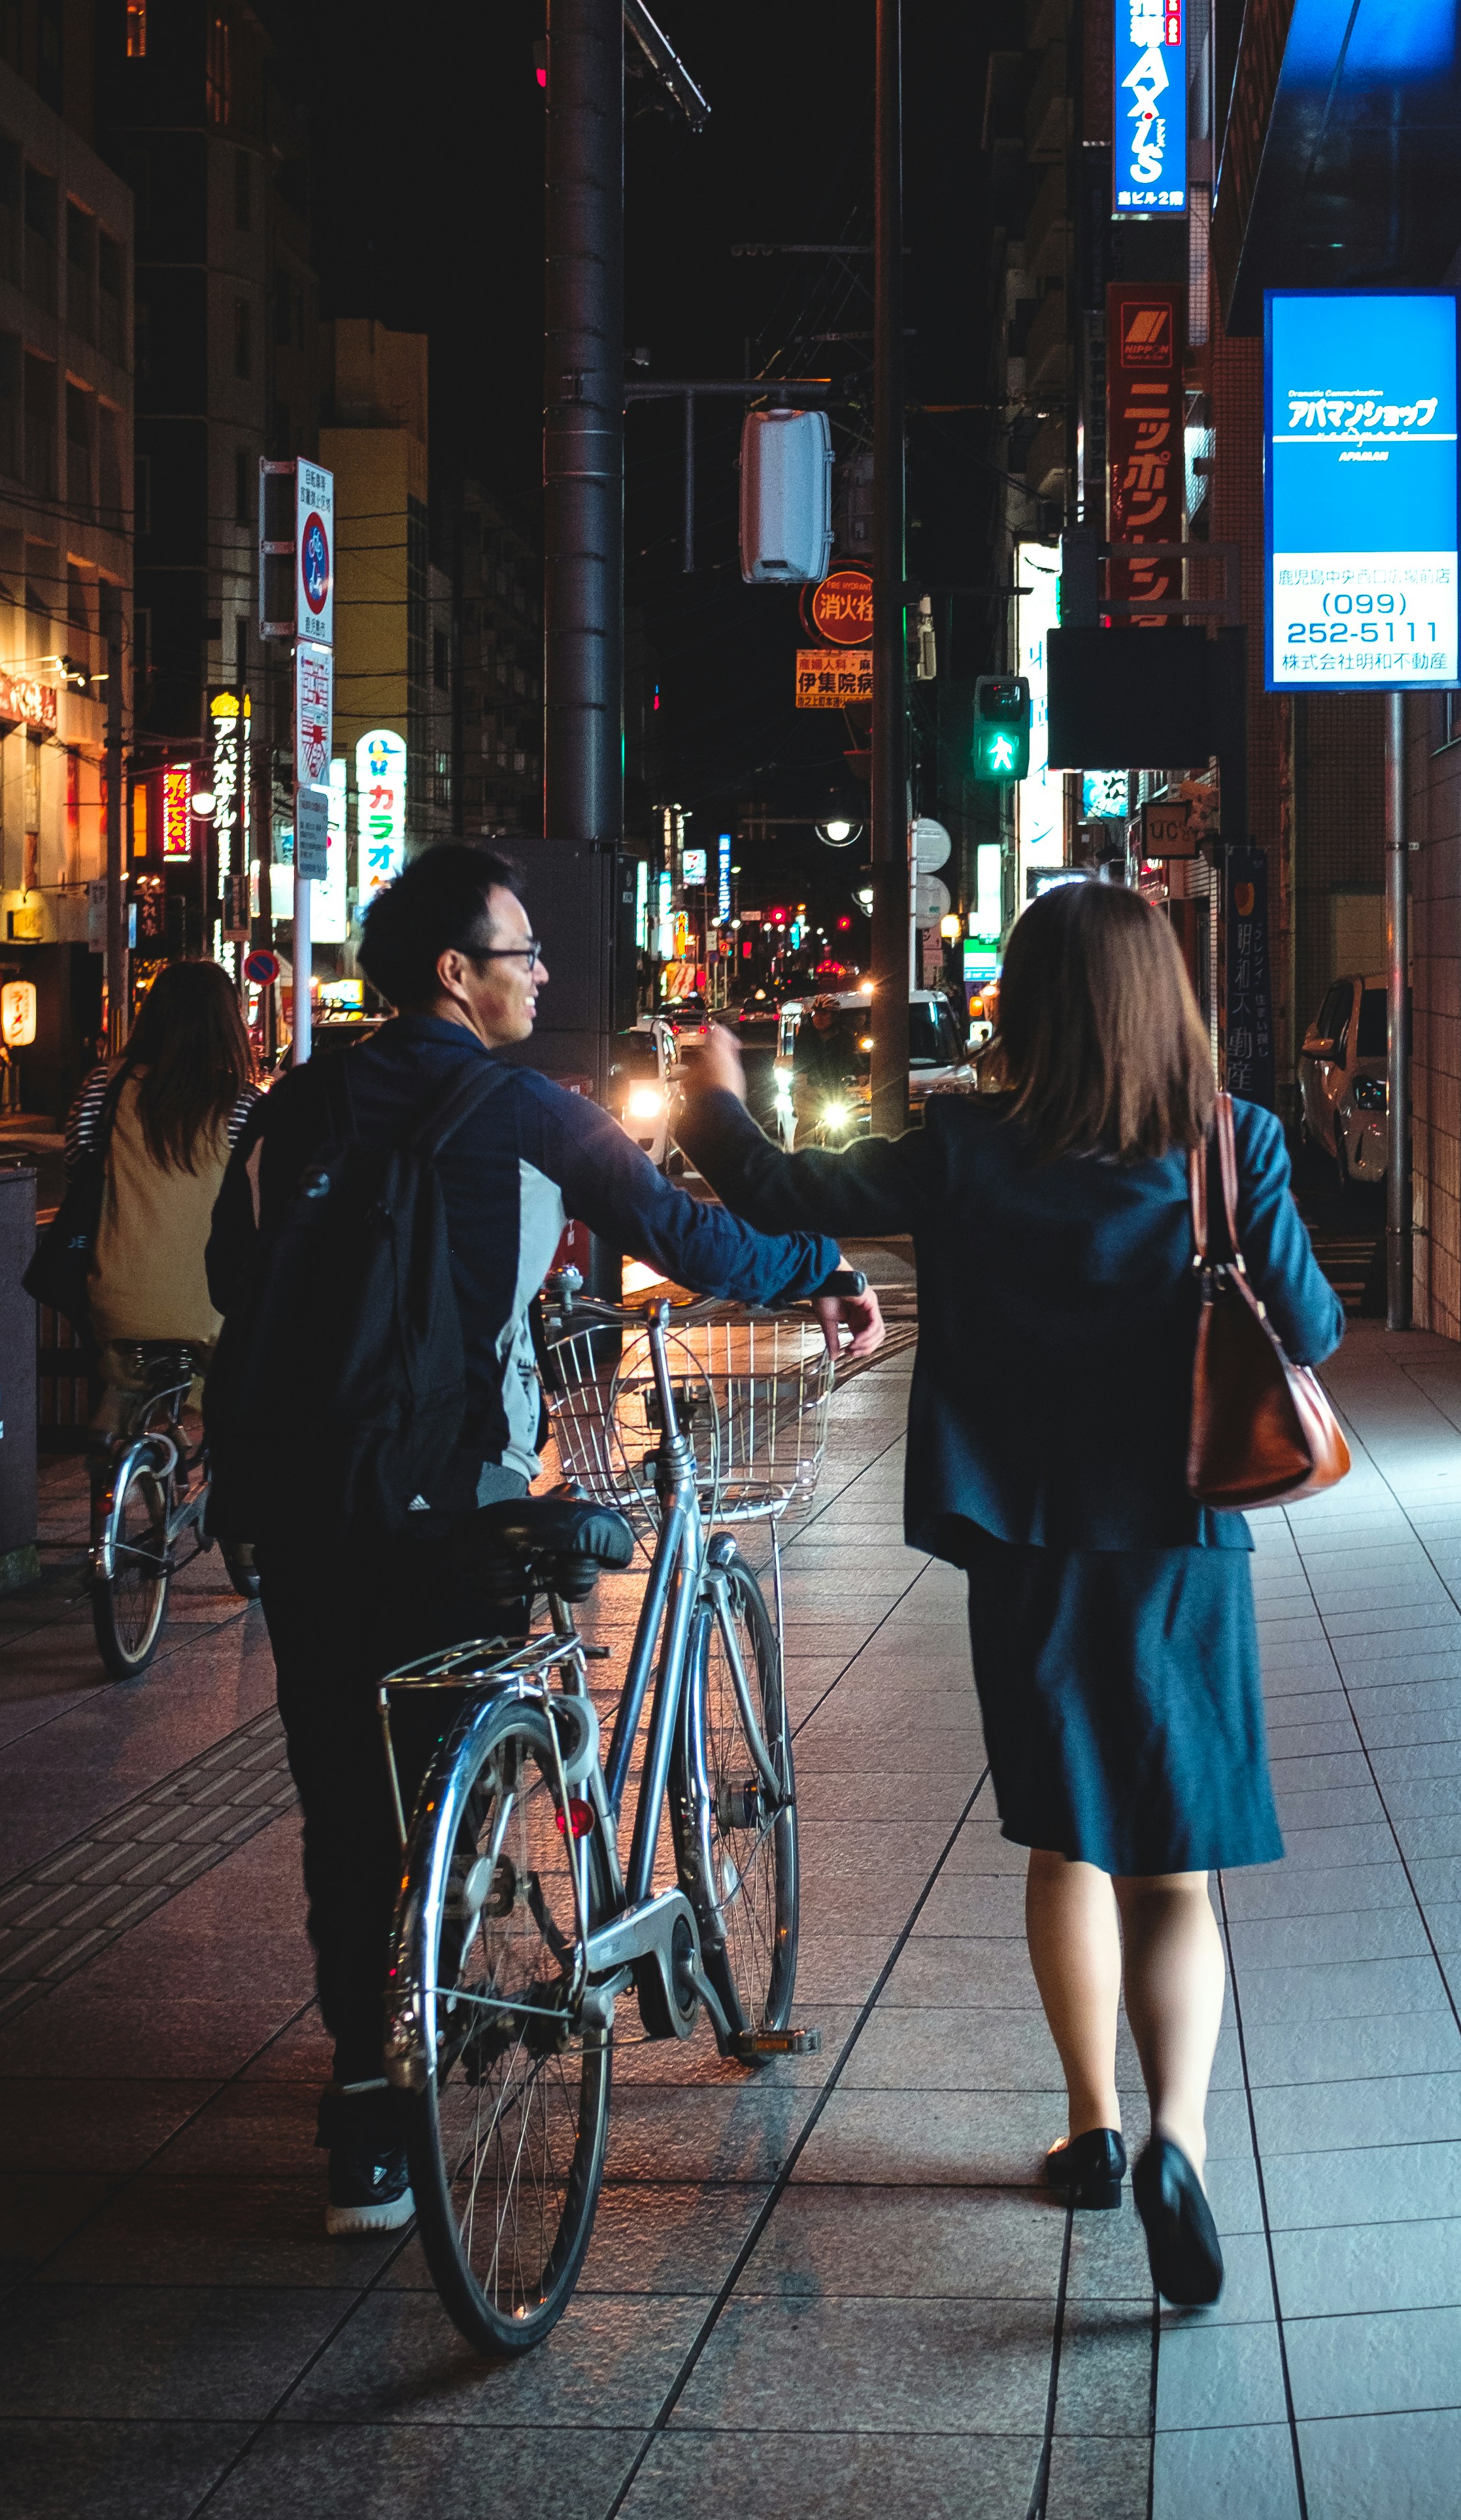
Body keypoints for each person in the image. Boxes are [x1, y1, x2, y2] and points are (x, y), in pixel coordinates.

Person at [678, 879, 1341, 2309]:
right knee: (1175, 1865)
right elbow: (1313, 1325)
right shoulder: (1231, 1138)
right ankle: (1178, 2142)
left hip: (1027, 1541)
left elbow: (783, 1191)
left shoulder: (967, 1147)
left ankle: (1091, 2127)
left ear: (1027, 1008)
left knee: (1068, 1842)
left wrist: (712, 1092)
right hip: (1177, 1539)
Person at [205, 841, 870, 2237]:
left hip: (304, 1506)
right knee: (453, 1764)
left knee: (347, 1804)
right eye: (524, 953)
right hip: (456, 1504)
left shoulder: (295, 1105)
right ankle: (459, 1969)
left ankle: (367, 2126)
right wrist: (823, 1266)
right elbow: (696, 1241)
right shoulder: (522, 1110)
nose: (544, 973)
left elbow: (231, 1274)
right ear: (458, 973)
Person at [69, 960, 265, 1580]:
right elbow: (260, 1205)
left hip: (115, 1289)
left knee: (128, 1361)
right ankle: (244, 1537)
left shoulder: (104, 1087)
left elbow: (78, 1167)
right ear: (228, 1024)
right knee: (246, 1398)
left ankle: (117, 1413)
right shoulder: (243, 1105)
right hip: (208, 1303)